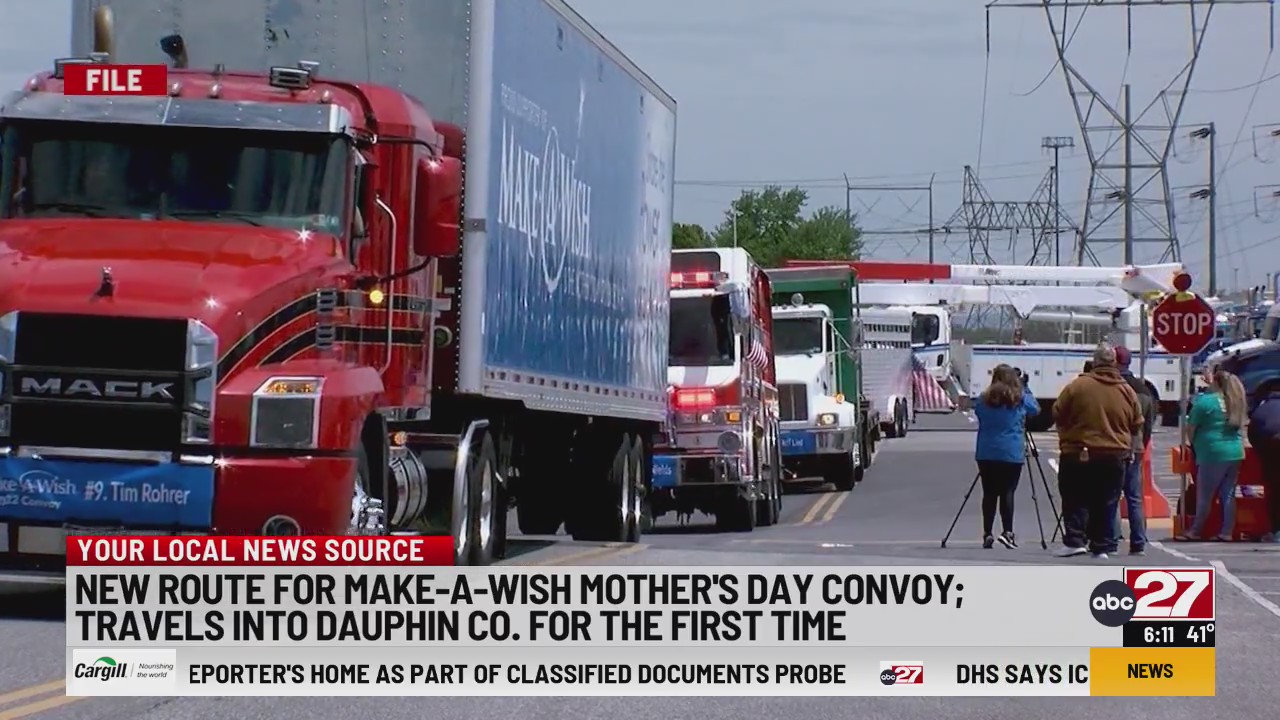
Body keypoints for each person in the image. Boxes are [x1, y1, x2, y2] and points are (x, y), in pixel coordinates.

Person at [1052, 342, 1143, 559]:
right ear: (1114, 362)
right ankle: (1102, 545)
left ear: (1095, 362)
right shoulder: (1126, 391)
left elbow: (1057, 411)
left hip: (1079, 450)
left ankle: (1075, 540)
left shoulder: (1079, 386)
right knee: (1107, 500)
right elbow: (1136, 423)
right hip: (1115, 453)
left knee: (1075, 496)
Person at [973, 364, 1041, 549]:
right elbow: (1035, 409)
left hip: (986, 451)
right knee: (1007, 492)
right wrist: (1024, 387)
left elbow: (978, 412)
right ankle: (1007, 532)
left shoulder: (984, 399)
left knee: (989, 492)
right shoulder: (1019, 399)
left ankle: (987, 532)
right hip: (1010, 451)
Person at [1179, 368, 1247, 541]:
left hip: (1212, 452)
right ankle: (1226, 531)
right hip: (1235, 452)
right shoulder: (1235, 400)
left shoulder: (1205, 402)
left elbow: (1191, 428)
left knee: (1205, 496)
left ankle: (1196, 530)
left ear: (1215, 383)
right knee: (1228, 494)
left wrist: (1194, 445)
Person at [1111, 346, 1157, 556]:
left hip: (1114, 445)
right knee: (1134, 497)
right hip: (1136, 446)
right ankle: (1138, 540)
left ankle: (1111, 538)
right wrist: (1141, 443)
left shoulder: (1113, 387)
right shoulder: (1144, 390)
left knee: (1111, 495)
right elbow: (1148, 424)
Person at [1247, 382, 1280, 543]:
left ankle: (1276, 530)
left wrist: (1262, 453)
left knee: (1274, 490)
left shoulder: (1262, 409)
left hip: (1271, 447)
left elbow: (1252, 433)